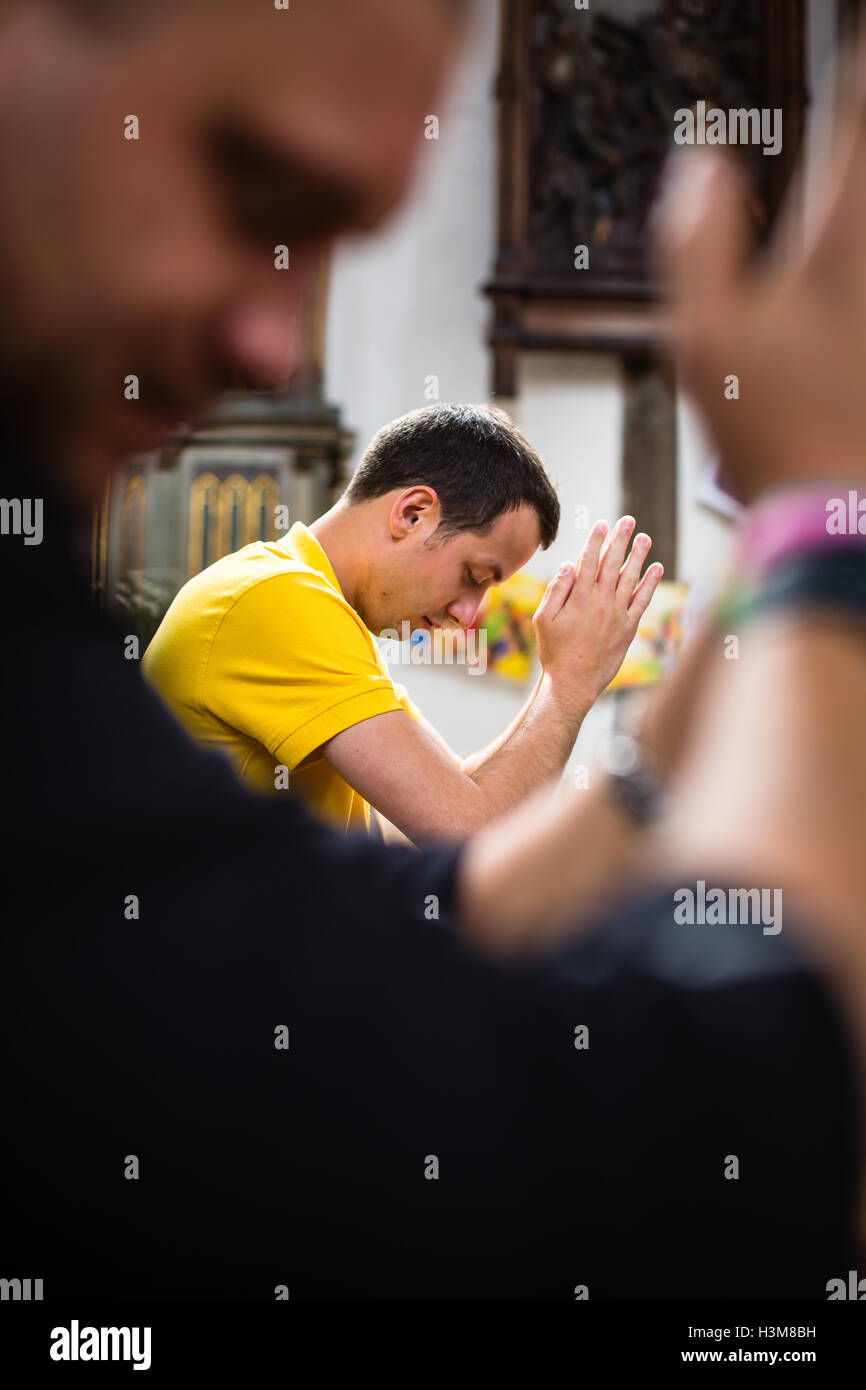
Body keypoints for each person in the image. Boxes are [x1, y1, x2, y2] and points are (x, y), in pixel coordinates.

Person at [0, 0, 862, 1300]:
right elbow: (463, 852)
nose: (272, 346)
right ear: (410, 510)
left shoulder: (288, 613)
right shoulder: (269, 598)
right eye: (250, 184)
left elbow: (417, 904)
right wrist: (815, 537)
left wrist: (706, 659)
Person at [143, 401, 661, 836]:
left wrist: (561, 677)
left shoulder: (325, 610)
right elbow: (470, 839)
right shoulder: (276, 597)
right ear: (413, 513)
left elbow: (459, 793)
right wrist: (569, 683)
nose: (466, 614)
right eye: (474, 576)